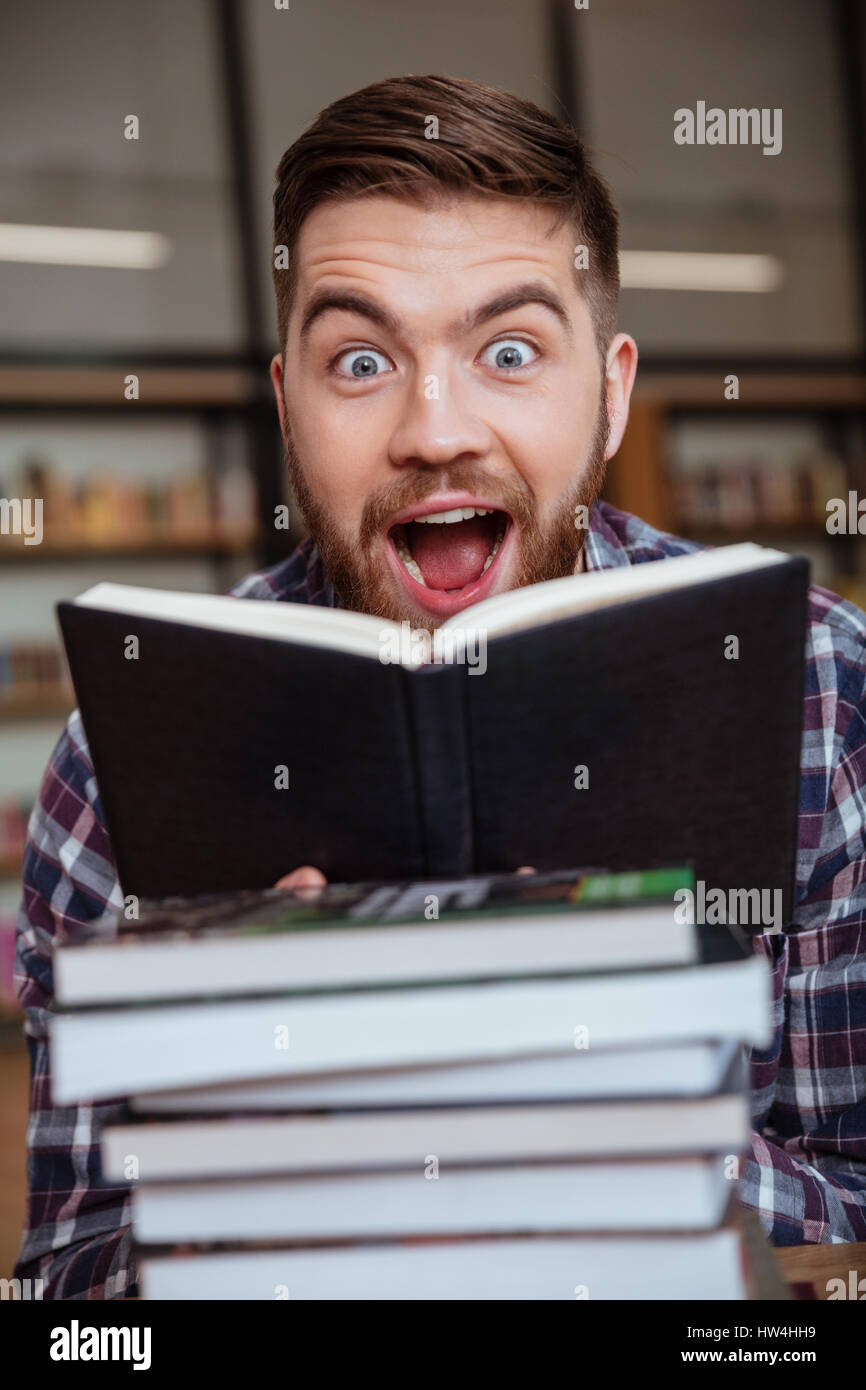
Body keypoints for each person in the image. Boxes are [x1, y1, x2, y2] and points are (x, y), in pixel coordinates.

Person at [14, 74, 866, 1299]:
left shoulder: (825, 690)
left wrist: (602, 1095)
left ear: (612, 390)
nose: (434, 429)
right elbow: (64, 1300)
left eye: (508, 350)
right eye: (358, 359)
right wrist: (231, 1162)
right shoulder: (117, 761)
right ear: (286, 410)